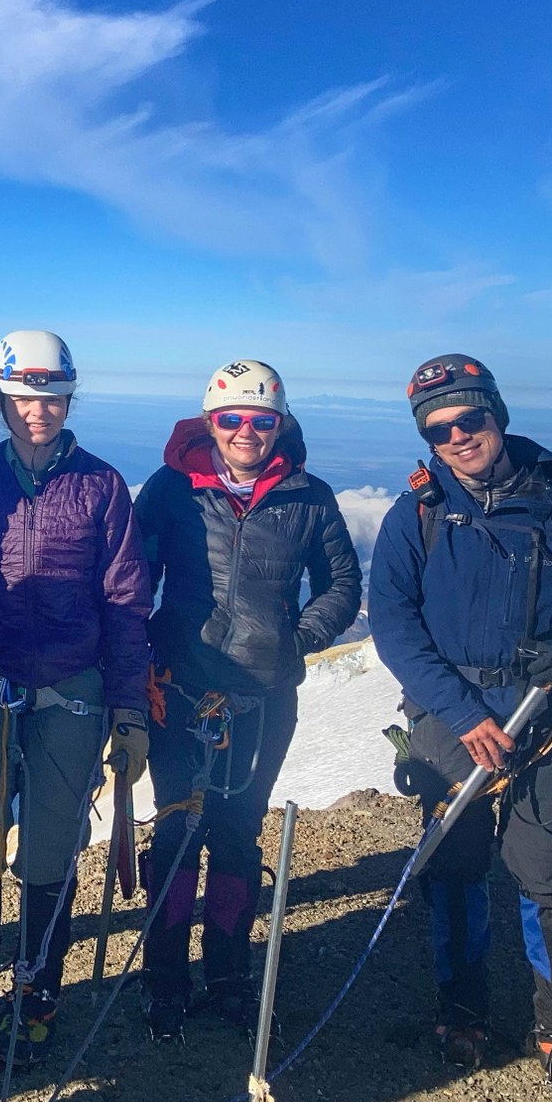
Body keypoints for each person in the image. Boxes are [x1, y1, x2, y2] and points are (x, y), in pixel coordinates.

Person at [372, 354, 552, 1091]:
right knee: (454, 874)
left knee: (548, 877)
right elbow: (395, 629)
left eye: (470, 418)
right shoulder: (416, 513)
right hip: (451, 722)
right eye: (439, 429)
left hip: (541, 718)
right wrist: (459, 715)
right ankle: (461, 1012)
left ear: (497, 413)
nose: (458, 437)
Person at [0, 329, 151, 1063]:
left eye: (50, 396)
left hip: (72, 688)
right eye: (22, 397)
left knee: (49, 849)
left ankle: (39, 990)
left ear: (67, 398)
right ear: (2, 399)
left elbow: (124, 602)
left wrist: (130, 708)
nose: (37, 410)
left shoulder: (102, 486)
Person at [132, 360, 361, 1043]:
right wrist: (143, 653)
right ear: (211, 423)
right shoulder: (173, 491)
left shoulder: (309, 496)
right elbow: (133, 577)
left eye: (261, 421)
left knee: (236, 833)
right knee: (175, 834)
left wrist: (298, 640)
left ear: (279, 425)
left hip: (262, 697)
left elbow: (340, 585)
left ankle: (228, 975)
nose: (246, 433)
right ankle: (165, 979)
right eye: (232, 420)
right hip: (179, 690)